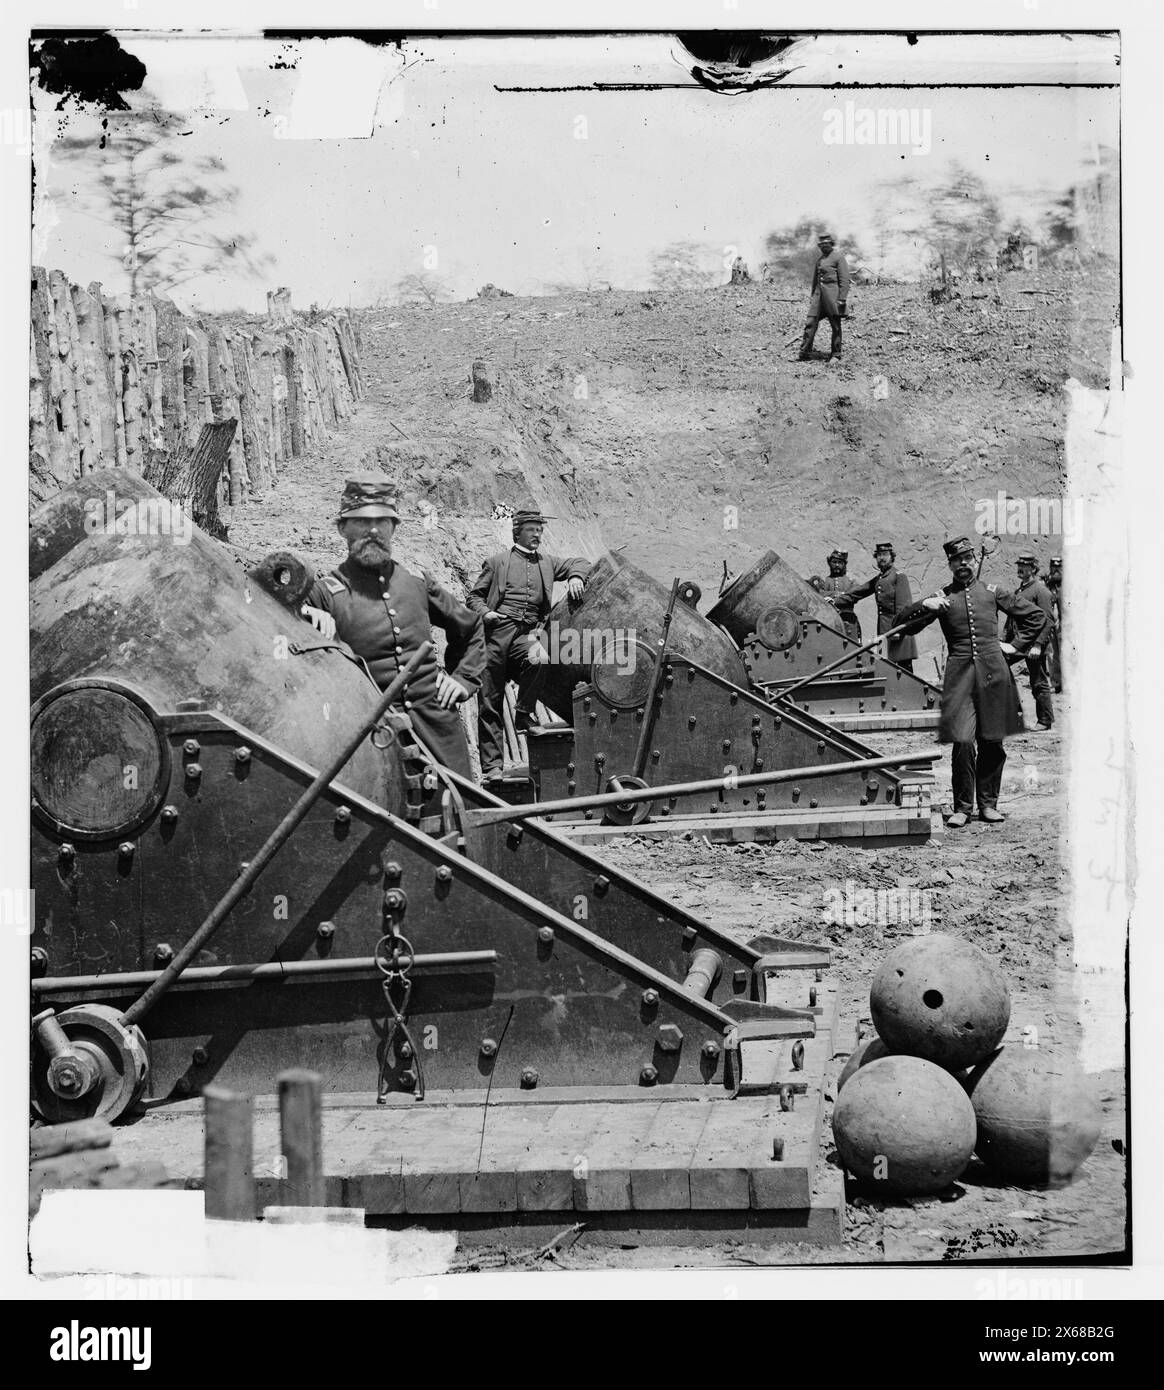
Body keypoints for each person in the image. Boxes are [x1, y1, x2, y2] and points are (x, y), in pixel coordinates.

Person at [300, 473, 485, 778]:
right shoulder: (325, 592)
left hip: (437, 728)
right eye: (361, 521)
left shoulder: (416, 582)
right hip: (370, 737)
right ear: (342, 528)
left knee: (464, 812)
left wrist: (463, 680)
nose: (373, 530)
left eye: (382, 521)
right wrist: (305, 617)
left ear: (394, 528)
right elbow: (282, 635)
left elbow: (471, 626)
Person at [895, 536, 1046, 827]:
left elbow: (1037, 617)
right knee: (963, 742)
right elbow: (901, 625)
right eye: (957, 560)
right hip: (959, 677)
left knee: (992, 741)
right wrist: (926, 605)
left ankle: (988, 804)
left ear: (975, 561)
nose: (963, 564)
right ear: (950, 565)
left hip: (994, 674)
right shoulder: (942, 597)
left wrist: (1015, 646)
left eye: (967, 559)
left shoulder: (993, 592)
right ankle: (963, 806)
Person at [467, 501, 589, 784]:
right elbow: (473, 598)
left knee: (540, 658)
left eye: (539, 530)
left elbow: (580, 562)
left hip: (525, 634)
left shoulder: (547, 562)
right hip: (496, 633)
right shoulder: (496, 562)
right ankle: (493, 767)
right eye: (531, 530)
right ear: (517, 532)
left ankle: (523, 714)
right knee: (490, 700)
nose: (537, 535)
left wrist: (574, 577)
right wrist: (487, 613)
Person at [848, 542, 918, 672]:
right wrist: (836, 599)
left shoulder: (899, 576)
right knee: (885, 668)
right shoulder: (879, 578)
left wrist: (898, 630)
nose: (882, 558)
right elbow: (859, 591)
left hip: (898, 631)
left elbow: (904, 607)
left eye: (885, 554)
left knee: (904, 670)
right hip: (884, 630)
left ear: (892, 556)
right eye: (879, 555)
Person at [1006, 551, 1055, 730]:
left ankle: (1044, 720)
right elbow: (1012, 617)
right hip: (1019, 642)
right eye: (1019, 565)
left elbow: (1048, 620)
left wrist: (1038, 645)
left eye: (1024, 566)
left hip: (1034, 644)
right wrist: (1005, 639)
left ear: (1033, 568)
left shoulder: (1040, 591)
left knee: (1038, 681)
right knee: (1001, 665)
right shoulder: (1020, 590)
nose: (1020, 568)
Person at [797, 232, 850, 362]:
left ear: (831, 244)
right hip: (819, 298)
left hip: (833, 298)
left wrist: (842, 298)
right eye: (821, 245)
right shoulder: (819, 260)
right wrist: (813, 297)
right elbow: (815, 281)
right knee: (810, 323)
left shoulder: (838, 258)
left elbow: (844, 280)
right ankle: (804, 353)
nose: (824, 247)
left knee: (835, 326)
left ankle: (836, 355)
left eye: (826, 244)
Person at [809, 549, 862, 643]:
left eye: (840, 562)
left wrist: (835, 596)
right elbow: (819, 594)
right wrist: (836, 594)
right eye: (834, 562)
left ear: (845, 564)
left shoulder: (851, 581)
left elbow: (854, 595)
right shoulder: (826, 581)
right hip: (830, 621)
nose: (837, 565)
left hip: (848, 620)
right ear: (829, 563)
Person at [1043, 555, 1063, 693]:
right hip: (1050, 622)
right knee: (1051, 653)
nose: (1055, 570)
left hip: (1064, 623)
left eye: (1058, 567)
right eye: (1053, 567)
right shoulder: (1046, 583)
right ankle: (1056, 683)